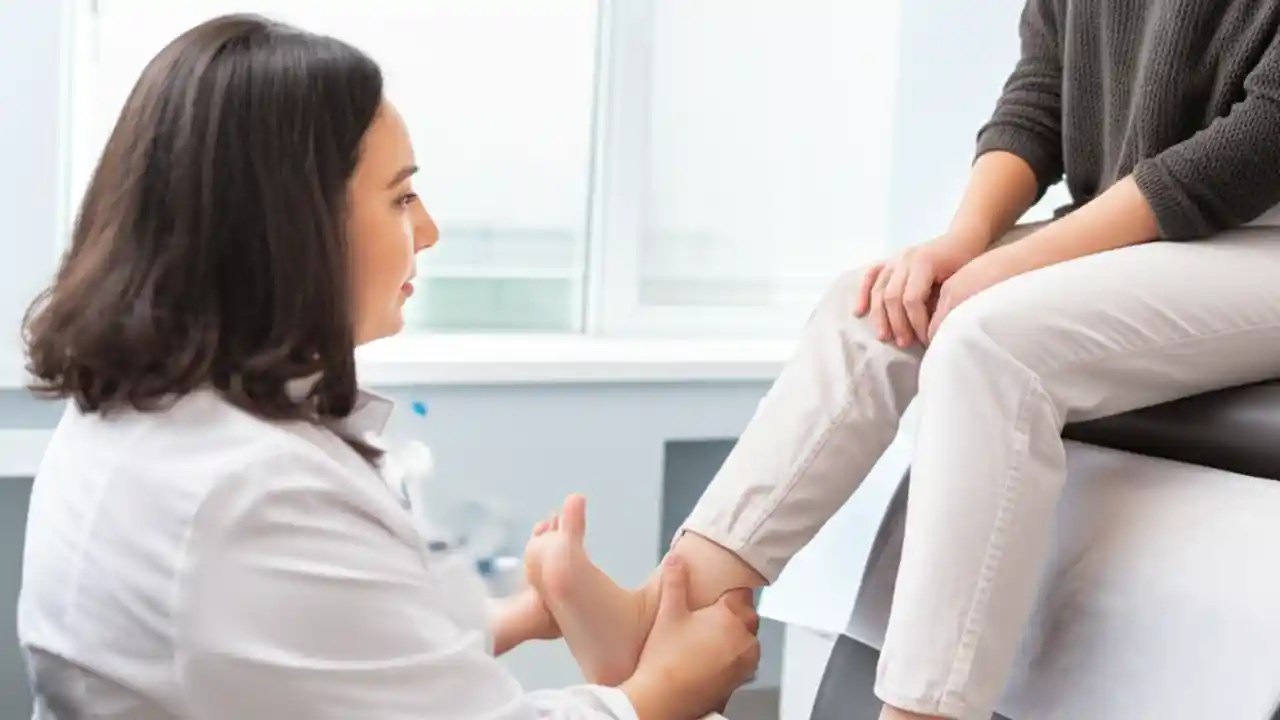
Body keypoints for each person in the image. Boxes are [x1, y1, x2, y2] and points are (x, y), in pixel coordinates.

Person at [520, 1, 1280, 719]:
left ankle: (923, 710)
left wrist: (1015, 266)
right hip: (1137, 228)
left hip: (1261, 237)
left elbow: (1262, 139)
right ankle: (670, 611)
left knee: (991, 342)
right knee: (872, 308)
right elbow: (1042, 93)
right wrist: (961, 242)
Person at [16, 14, 759, 720]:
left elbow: (294, 660)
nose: (428, 231)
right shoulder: (249, 493)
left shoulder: (141, 417)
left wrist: (512, 621)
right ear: (292, 224)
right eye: (401, 196)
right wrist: (668, 689)